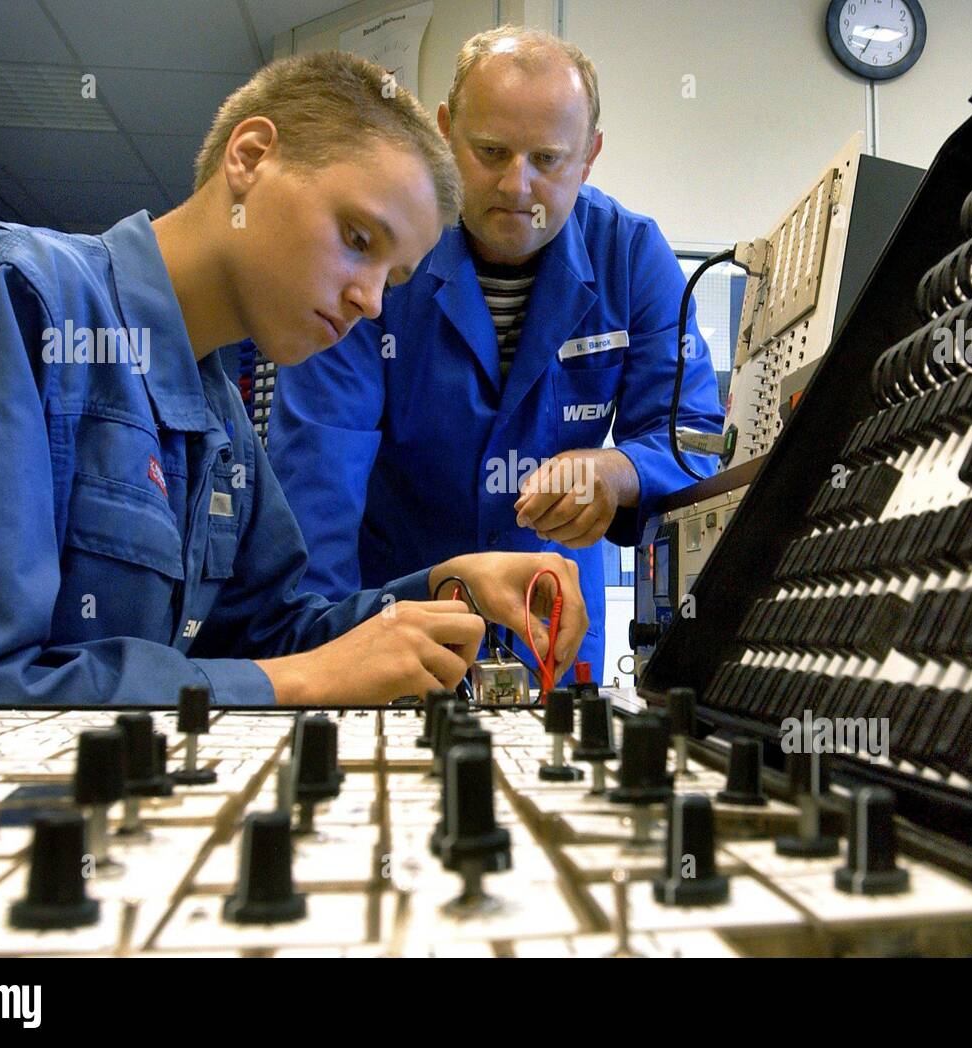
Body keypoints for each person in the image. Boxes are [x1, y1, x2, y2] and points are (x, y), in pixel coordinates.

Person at [0, 51, 586, 707]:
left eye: (393, 278)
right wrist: (297, 682)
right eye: (357, 240)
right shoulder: (6, 301)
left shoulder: (219, 422)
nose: (371, 302)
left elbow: (271, 639)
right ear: (250, 157)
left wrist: (441, 586)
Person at [269, 26, 722, 684]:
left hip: (555, 629)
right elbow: (318, 477)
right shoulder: (380, 250)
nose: (517, 185)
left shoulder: (630, 256)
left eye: (547, 158)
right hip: (395, 618)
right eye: (490, 152)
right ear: (446, 131)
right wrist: (322, 658)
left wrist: (618, 471)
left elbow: (692, 439)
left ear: (589, 156)